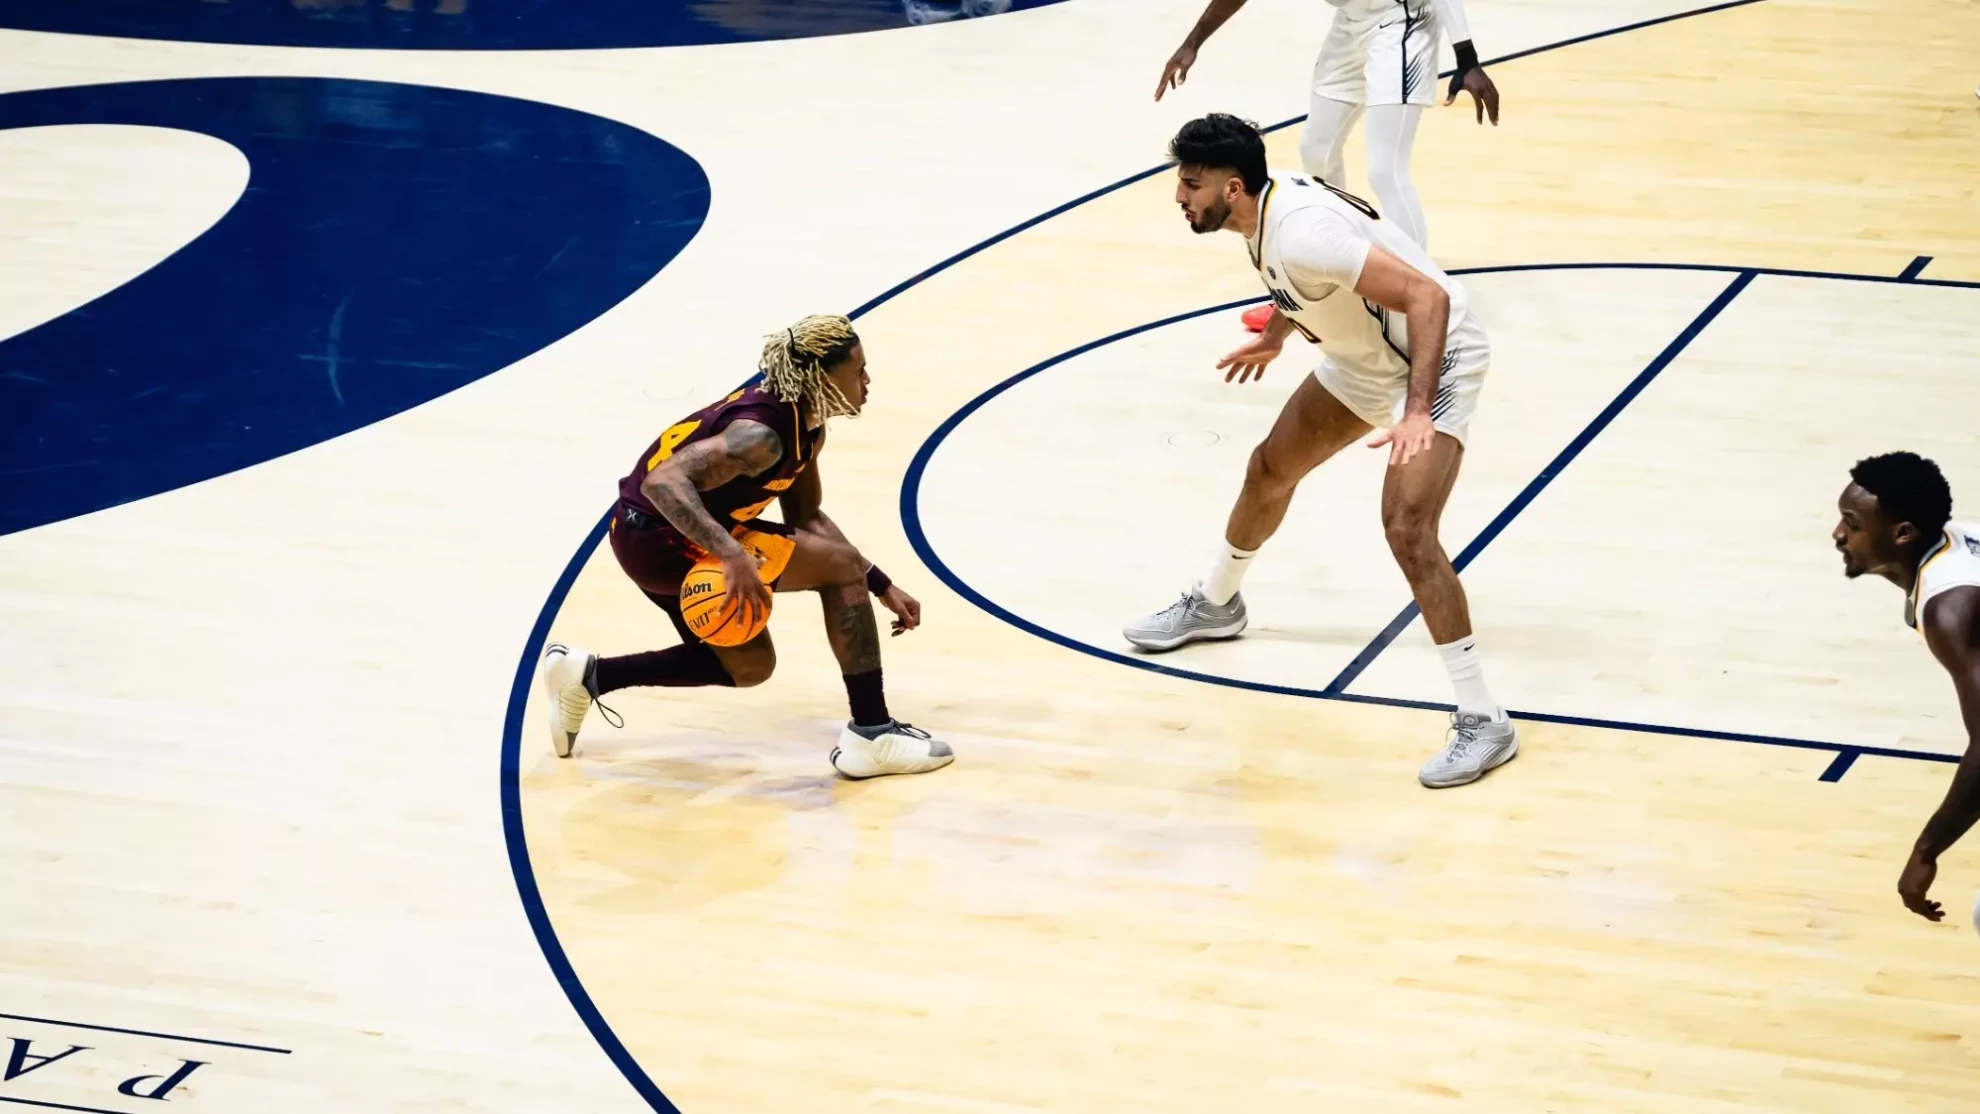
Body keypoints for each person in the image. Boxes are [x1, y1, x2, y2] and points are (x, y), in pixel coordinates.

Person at [1124, 113, 1513, 788]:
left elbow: (1425, 296)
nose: (1180, 197)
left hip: (1436, 356)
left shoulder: (1304, 230)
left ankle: (1484, 719)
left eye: (1190, 185)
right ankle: (1218, 603)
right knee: (1269, 468)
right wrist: (1277, 333)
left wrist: (1418, 410)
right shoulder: (1267, 215)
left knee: (1408, 529)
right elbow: (1301, 282)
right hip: (1363, 357)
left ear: (1234, 187)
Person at [536, 314, 954, 780]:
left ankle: (589, 676)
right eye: (858, 370)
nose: (867, 380)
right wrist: (732, 555)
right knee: (836, 569)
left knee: (749, 665)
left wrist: (879, 581)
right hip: (661, 538)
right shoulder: (762, 435)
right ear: (819, 375)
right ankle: (872, 733)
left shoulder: (806, 426)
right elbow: (663, 482)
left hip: (656, 537)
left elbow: (807, 518)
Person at [1154, 0, 1500, 253]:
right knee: (1316, 151)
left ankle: (1420, 284)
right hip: (1351, 23)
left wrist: (1467, 58)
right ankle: (1341, 255)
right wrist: (1192, 43)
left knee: (1385, 170)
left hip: (1402, 22)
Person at [1833, 451, 1980, 920]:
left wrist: (1926, 850)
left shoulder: (1949, 610)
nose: (1838, 535)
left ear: (1902, 534)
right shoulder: (1958, 540)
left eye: (1852, 524)